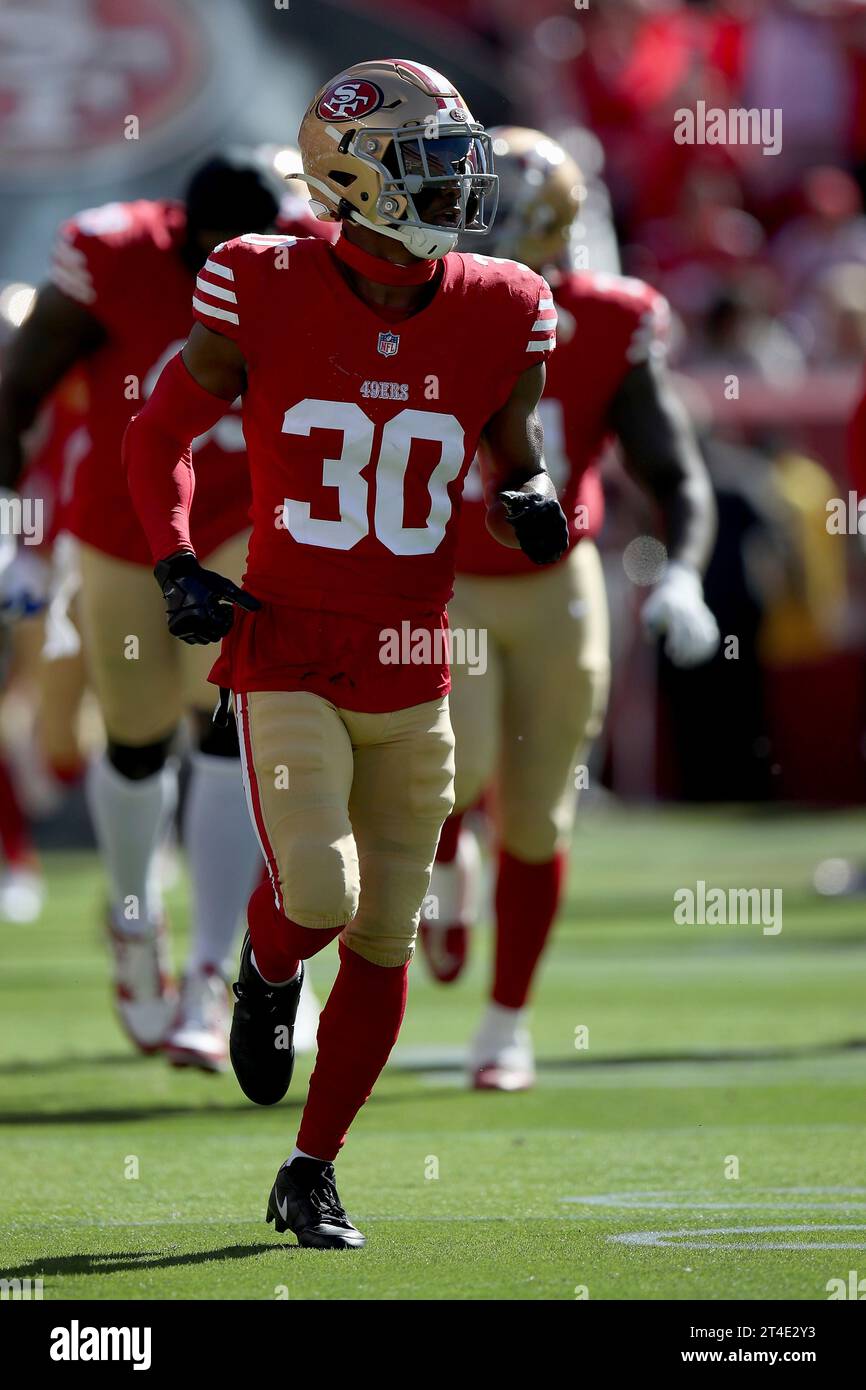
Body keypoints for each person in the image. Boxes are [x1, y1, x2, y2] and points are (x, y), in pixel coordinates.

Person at [124, 60, 568, 1249]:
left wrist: (528, 500)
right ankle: (264, 975)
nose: (454, 182)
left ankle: (310, 1167)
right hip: (285, 650)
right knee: (321, 894)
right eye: (429, 159)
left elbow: (511, 455)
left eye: (455, 157)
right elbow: (159, 428)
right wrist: (173, 559)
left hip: (414, 661)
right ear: (352, 174)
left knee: (383, 936)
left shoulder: (503, 301)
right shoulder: (258, 278)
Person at [0, 150, 324, 1067]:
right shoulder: (113, 254)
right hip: (121, 527)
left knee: (227, 734)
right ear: (181, 234)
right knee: (136, 744)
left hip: (244, 517)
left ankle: (214, 971)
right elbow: (20, 387)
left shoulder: (312, 256)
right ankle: (134, 919)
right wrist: (15, 521)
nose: (232, 261)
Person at [421, 128, 719, 1090]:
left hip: (560, 585)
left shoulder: (609, 315)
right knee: (445, 778)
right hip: (446, 581)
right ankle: (444, 857)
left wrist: (683, 572)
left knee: (542, 818)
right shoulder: (421, 304)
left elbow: (675, 472)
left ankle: (507, 1023)